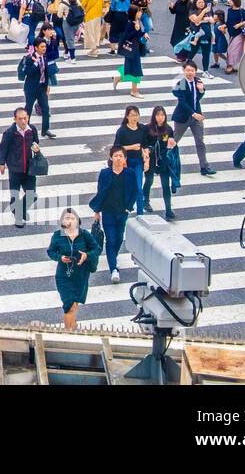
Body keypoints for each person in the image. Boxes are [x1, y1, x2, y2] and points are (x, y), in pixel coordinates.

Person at [89, 146, 139, 284]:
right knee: (110, 240)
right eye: (116, 156)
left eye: (121, 156)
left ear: (125, 159)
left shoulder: (130, 173)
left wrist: (129, 208)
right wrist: (97, 211)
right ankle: (114, 269)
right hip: (108, 212)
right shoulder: (105, 173)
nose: (118, 158)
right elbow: (100, 192)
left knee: (118, 238)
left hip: (123, 212)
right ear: (111, 158)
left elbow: (135, 191)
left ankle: (113, 258)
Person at [47, 208, 100, 329]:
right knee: (69, 305)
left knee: (75, 305)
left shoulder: (84, 234)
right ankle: (68, 333)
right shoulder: (57, 236)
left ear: (77, 220)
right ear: (62, 221)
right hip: (64, 275)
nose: (70, 220)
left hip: (81, 275)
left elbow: (96, 249)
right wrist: (60, 257)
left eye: (72, 218)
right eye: (67, 218)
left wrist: (87, 255)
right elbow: (50, 251)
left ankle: (73, 326)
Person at [0, 107, 42, 228]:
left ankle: (19, 210)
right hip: (15, 169)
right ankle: (18, 217)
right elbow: (3, 148)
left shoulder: (32, 130)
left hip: (29, 169)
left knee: (32, 194)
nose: (23, 121)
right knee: (15, 195)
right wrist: (1, 163)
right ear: (15, 119)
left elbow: (36, 143)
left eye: (25, 118)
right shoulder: (10, 133)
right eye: (20, 119)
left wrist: (37, 149)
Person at [171, 60, 214, 176]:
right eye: (188, 70)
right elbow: (182, 102)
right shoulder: (181, 83)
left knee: (200, 142)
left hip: (196, 117)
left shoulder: (197, 81)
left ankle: (204, 167)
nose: (190, 73)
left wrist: (201, 90)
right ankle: (161, 163)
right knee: (173, 141)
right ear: (184, 71)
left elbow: (196, 98)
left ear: (195, 71)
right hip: (183, 117)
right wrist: (193, 113)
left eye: (192, 70)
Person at [143, 106, 178, 220]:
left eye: (162, 115)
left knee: (165, 185)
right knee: (149, 180)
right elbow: (144, 143)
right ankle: (146, 201)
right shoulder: (148, 128)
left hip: (163, 160)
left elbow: (171, 144)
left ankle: (168, 210)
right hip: (151, 159)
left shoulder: (168, 129)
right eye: (158, 115)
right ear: (154, 116)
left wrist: (171, 145)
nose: (160, 117)